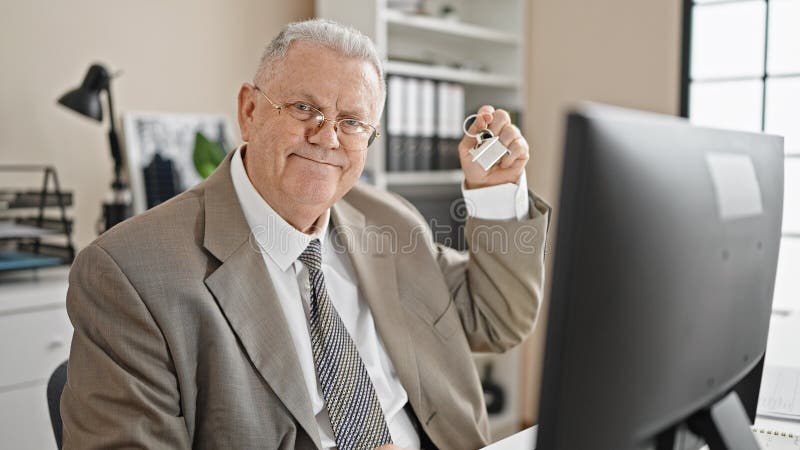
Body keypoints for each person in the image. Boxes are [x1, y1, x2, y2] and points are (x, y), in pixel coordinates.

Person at [61, 18, 550, 450]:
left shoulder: (389, 219)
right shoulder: (128, 273)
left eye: (353, 121)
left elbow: (497, 318)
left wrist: (496, 195)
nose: (328, 136)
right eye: (302, 108)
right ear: (249, 111)